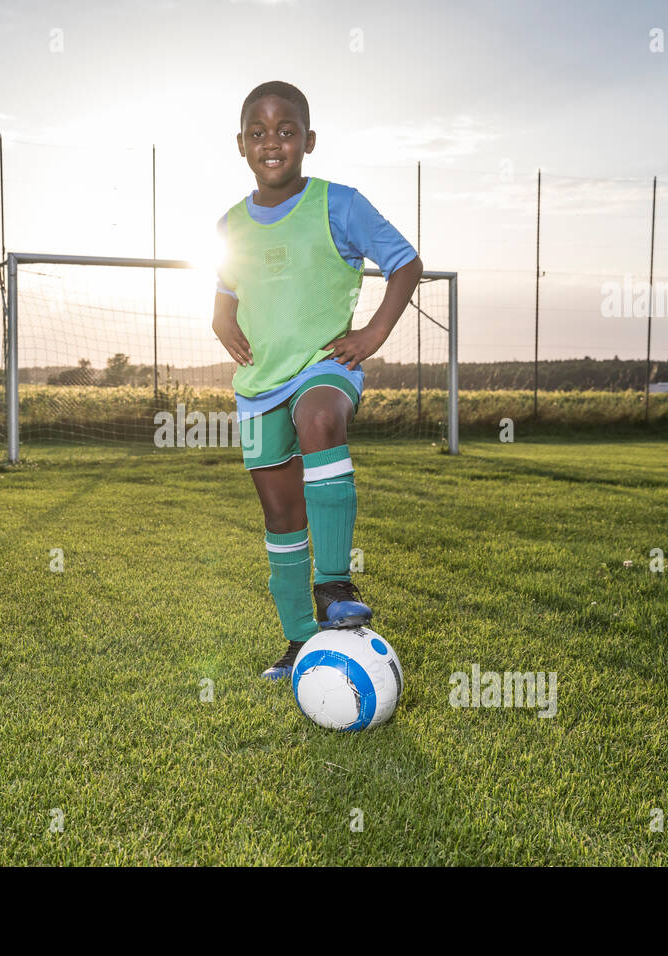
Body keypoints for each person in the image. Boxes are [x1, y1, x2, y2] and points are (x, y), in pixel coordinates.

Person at [212, 80, 424, 680]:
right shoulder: (230, 224)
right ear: (241, 144)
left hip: (325, 364)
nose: (271, 142)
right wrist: (219, 316)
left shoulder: (340, 203)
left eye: (285, 131)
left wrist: (374, 334)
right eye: (258, 132)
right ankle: (300, 641)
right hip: (258, 384)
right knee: (280, 519)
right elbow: (225, 291)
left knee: (321, 416)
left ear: (308, 140)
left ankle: (333, 584)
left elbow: (406, 262)